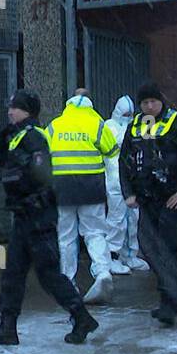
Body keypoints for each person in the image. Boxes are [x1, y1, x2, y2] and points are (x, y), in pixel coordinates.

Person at [0, 89, 98, 346]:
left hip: (39, 216)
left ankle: (81, 316)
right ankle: (7, 327)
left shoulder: (35, 137)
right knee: (12, 273)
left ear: (28, 111)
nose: (10, 111)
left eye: (16, 108)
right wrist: (3, 133)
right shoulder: (17, 136)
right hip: (24, 216)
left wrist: (27, 179)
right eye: (10, 107)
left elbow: (41, 174)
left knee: (49, 275)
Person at [119, 82, 177, 327]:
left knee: (170, 249)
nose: (149, 106)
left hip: (172, 200)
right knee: (150, 250)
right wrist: (128, 192)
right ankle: (170, 298)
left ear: (161, 101)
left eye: (153, 102)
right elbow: (124, 161)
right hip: (147, 200)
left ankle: (170, 302)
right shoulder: (136, 126)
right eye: (144, 103)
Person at [45, 92, 119, 305]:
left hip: (62, 189)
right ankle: (103, 272)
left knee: (65, 237)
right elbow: (112, 150)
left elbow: (45, 152)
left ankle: (68, 281)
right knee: (95, 232)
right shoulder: (97, 123)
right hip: (91, 188)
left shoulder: (55, 125)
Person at [103, 95, 149, 275]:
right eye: (125, 113)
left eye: (131, 114)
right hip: (115, 181)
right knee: (116, 220)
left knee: (133, 219)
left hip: (131, 181)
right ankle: (111, 257)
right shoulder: (109, 126)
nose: (128, 117)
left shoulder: (138, 126)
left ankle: (130, 255)